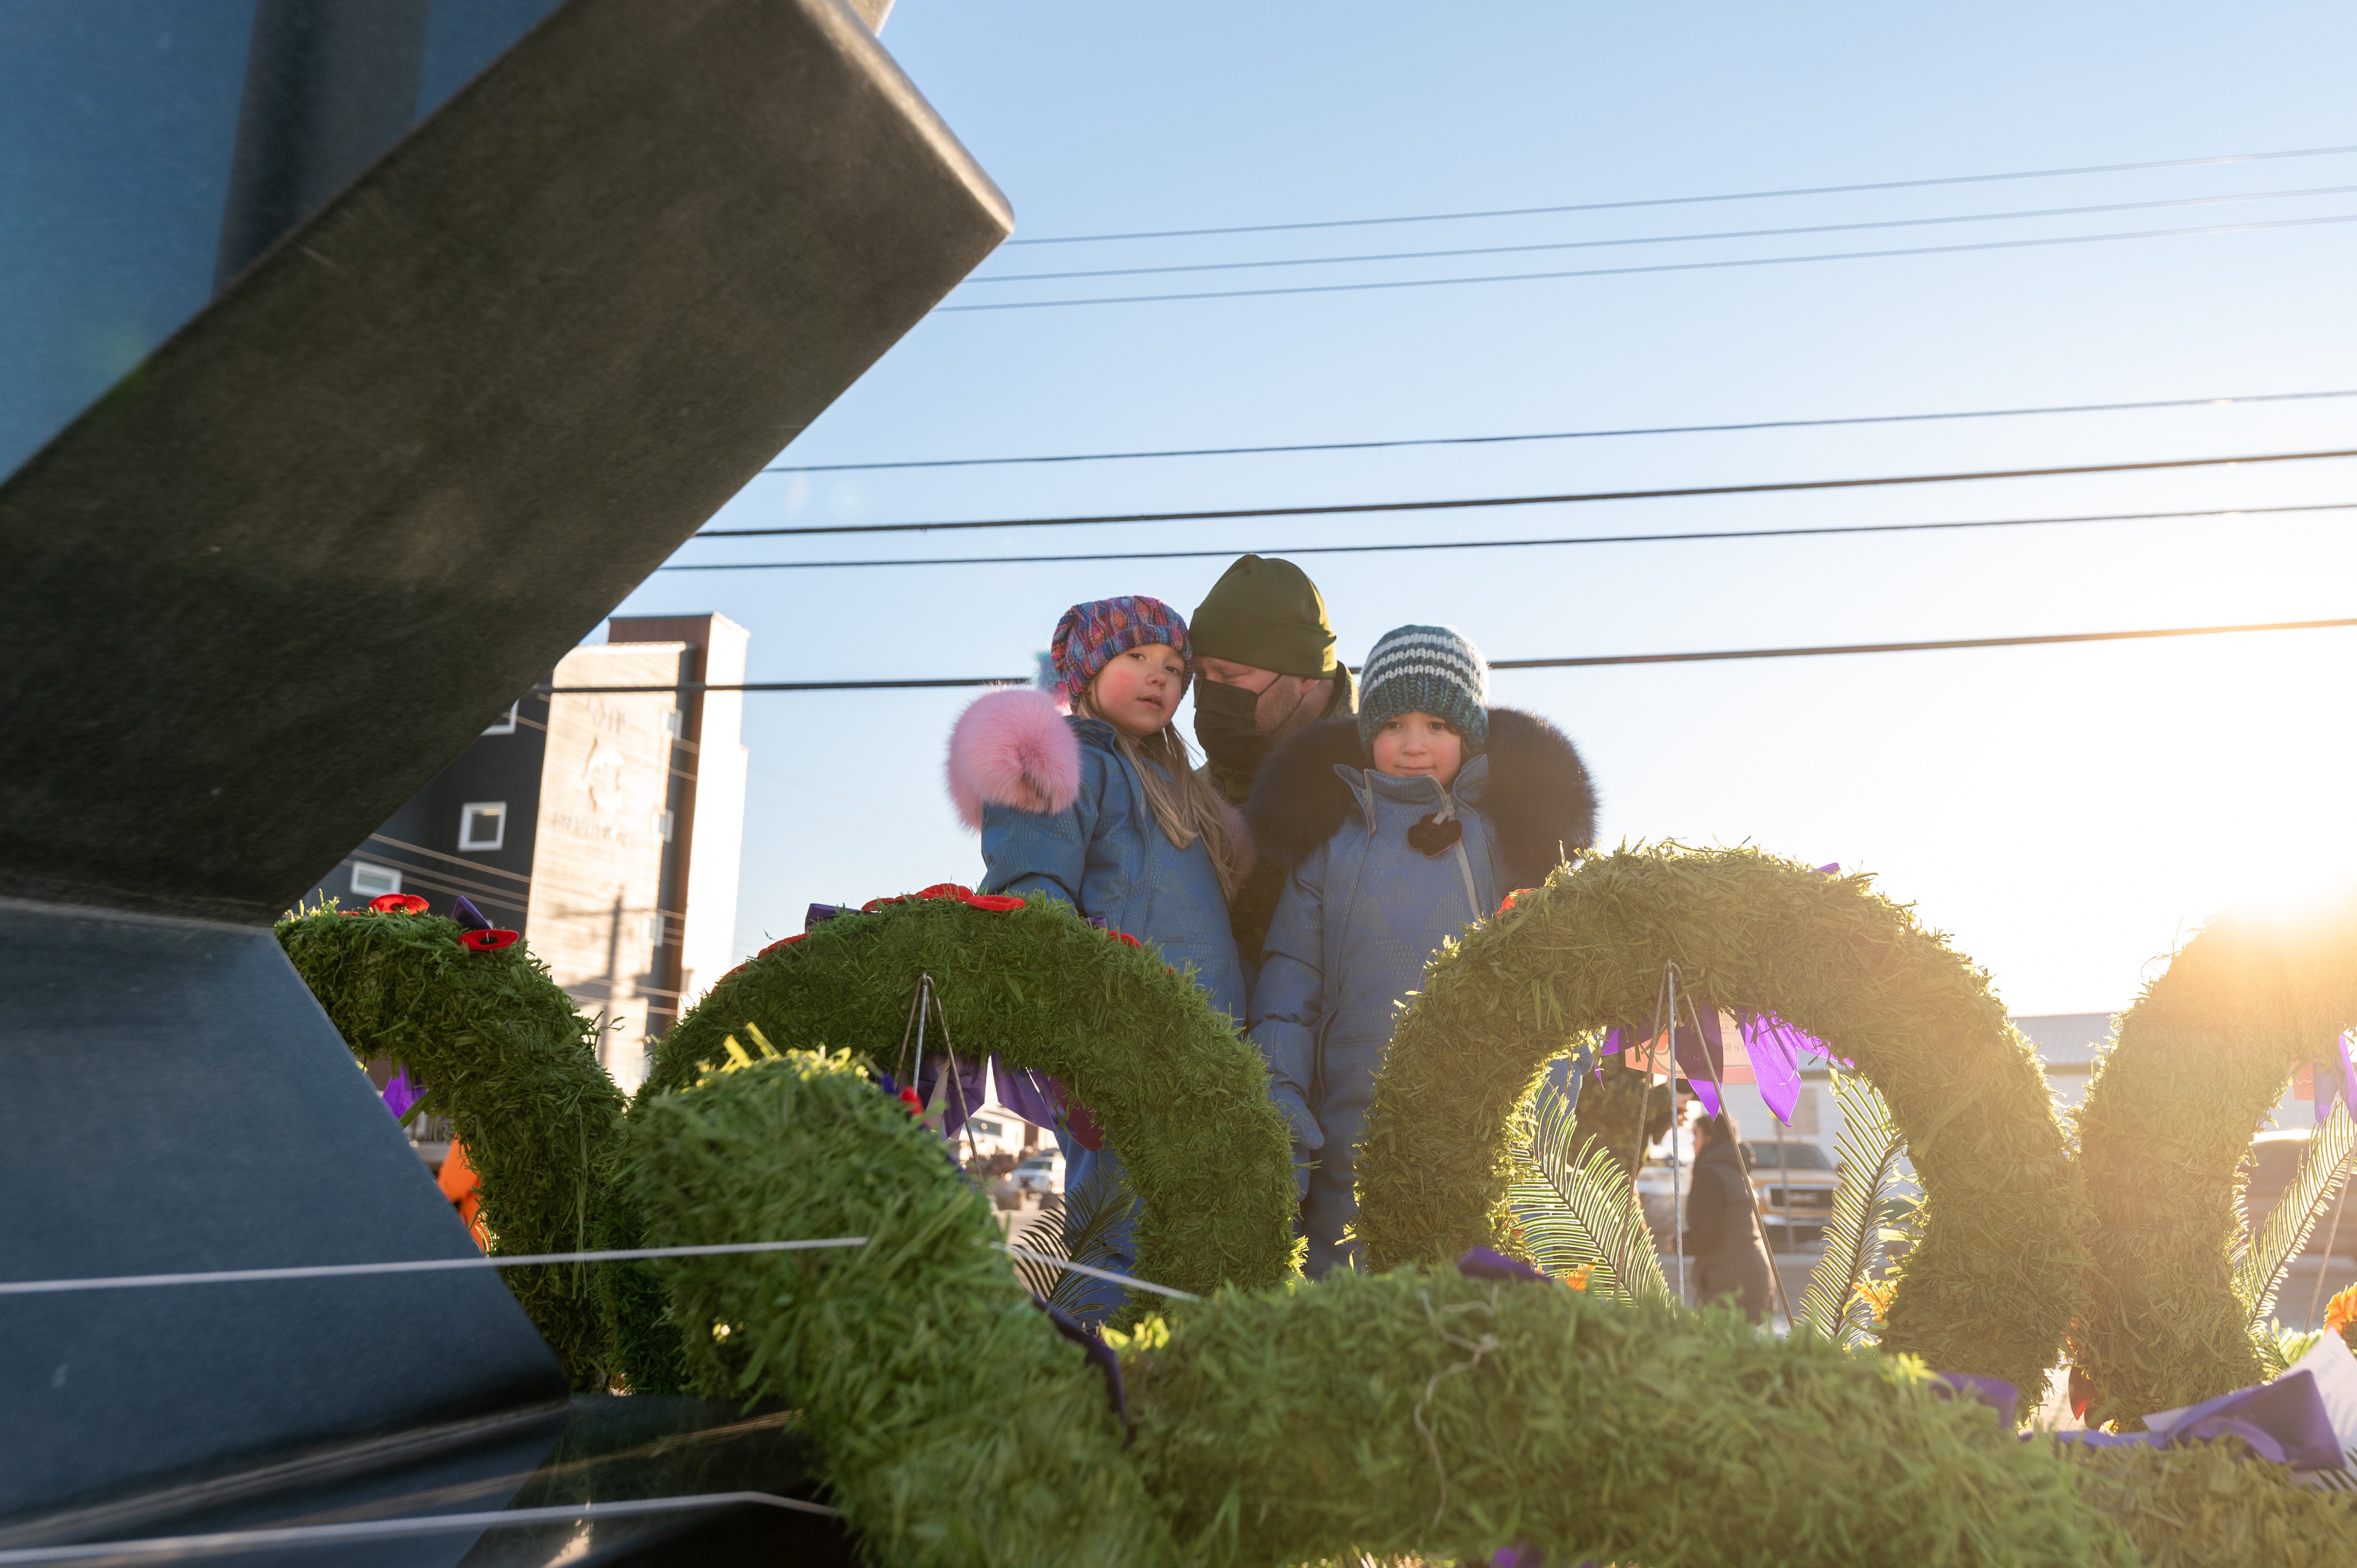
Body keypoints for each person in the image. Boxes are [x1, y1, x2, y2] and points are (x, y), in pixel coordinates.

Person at [1245, 624, 1596, 1275]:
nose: (1413, 745)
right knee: (1349, 1302)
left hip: (1484, 1134)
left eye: (1436, 724)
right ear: (1366, 733)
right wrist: (1282, 1101)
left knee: (1479, 1307)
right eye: (1393, 724)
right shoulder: (1332, 846)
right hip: (1350, 1132)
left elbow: (1555, 990)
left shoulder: (1509, 844)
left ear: (1468, 734)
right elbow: (1290, 983)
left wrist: (1542, 1113)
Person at [946, 594, 1250, 1318]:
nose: (1159, 678)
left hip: (1204, 1047)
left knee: (1186, 1234)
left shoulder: (1176, 784)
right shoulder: (1062, 761)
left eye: (1175, 668)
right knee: (1115, 1224)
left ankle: (1158, 1383)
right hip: (1121, 1043)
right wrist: (1085, 1021)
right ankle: (1087, 1374)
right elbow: (1032, 891)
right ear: (1088, 666)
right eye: (1136, 658)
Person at [1189, 555, 1357, 968]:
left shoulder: (1383, 787)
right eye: (1199, 677)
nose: (1210, 695)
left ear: (1305, 677)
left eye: (1230, 678)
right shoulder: (1183, 796)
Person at [1683, 1110, 1777, 1323]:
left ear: (1709, 1139)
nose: (1692, 1144)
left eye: (1695, 1136)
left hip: (1730, 1284)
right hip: (1749, 1276)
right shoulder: (1734, 1171)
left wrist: (1680, 1243)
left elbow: (1708, 1235)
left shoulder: (1710, 1175)